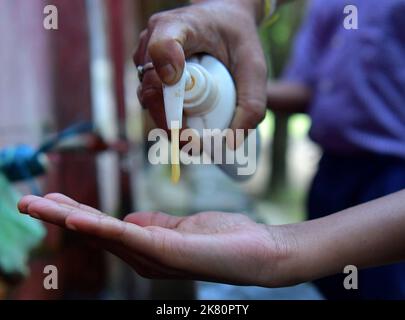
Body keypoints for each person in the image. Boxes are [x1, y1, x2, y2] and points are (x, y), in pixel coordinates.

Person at [18, 0, 405, 295]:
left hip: (393, 177)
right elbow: (309, 91)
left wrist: (286, 249)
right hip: (333, 173)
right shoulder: (329, 7)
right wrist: (223, 89)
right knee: (334, 288)